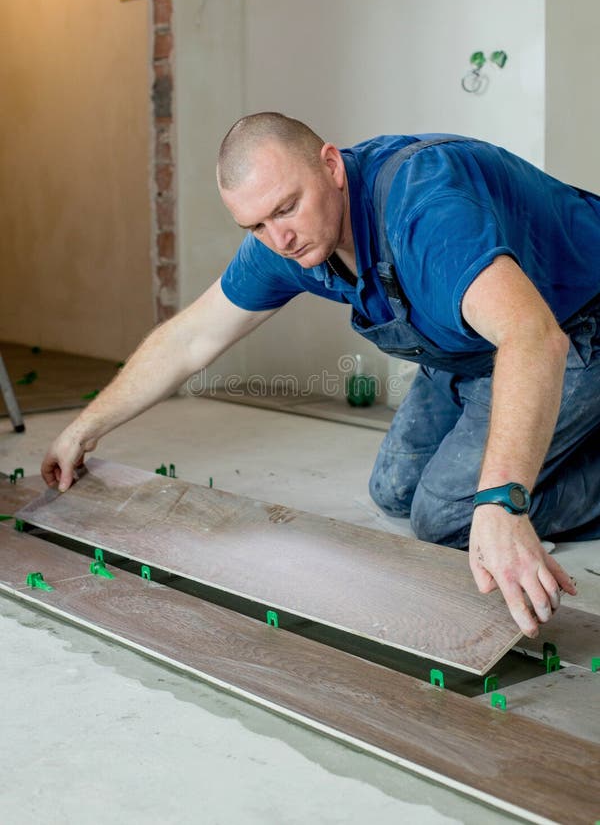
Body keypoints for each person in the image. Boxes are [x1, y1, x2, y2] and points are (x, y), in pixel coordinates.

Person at [42, 112, 600, 639]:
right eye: (256, 225)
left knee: (449, 516)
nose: (278, 238)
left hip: (573, 326)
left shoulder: (423, 205)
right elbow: (190, 339)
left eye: (286, 209)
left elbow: (532, 338)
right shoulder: (285, 240)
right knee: (395, 490)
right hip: (471, 352)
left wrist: (502, 502)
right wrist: (83, 428)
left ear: (331, 166)